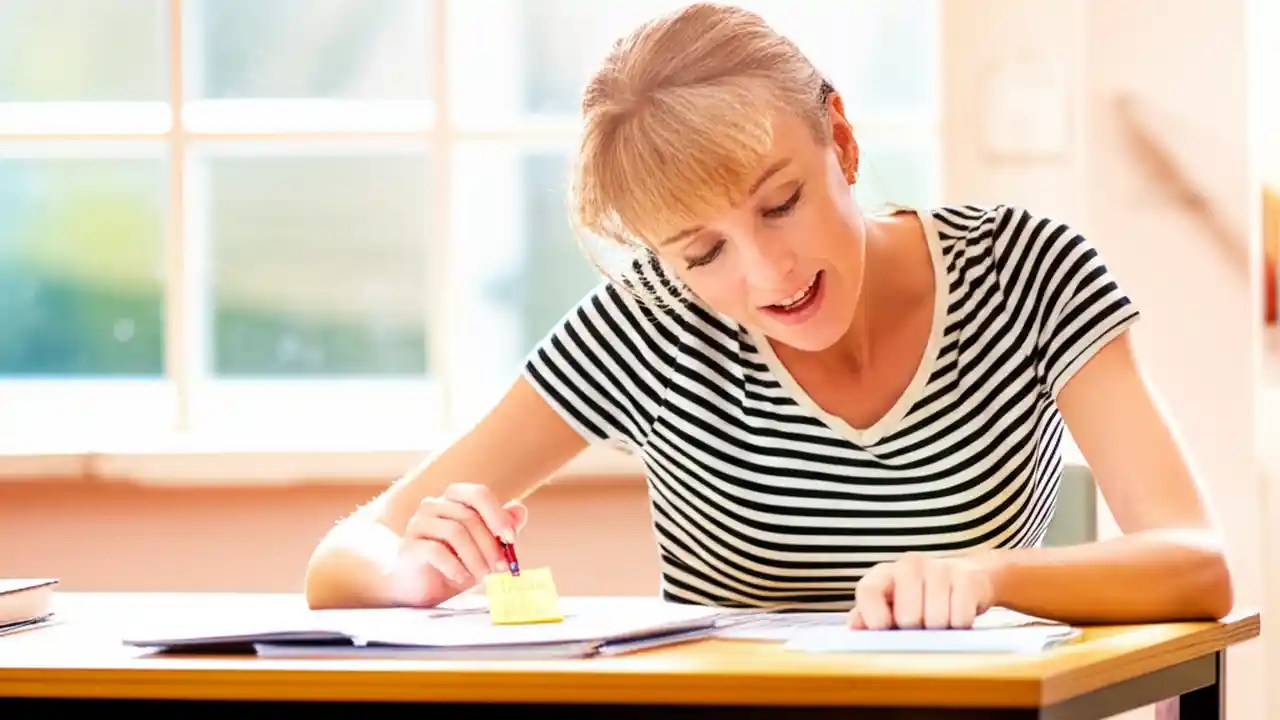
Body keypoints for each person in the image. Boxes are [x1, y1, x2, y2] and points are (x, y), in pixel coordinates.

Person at [304, 2, 1234, 630]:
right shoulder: (649, 325)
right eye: (702, 253)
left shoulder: (1027, 273)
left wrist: (989, 575)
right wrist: (413, 574)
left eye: (780, 203)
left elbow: (1196, 562)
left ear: (842, 139)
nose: (767, 274)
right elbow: (343, 560)